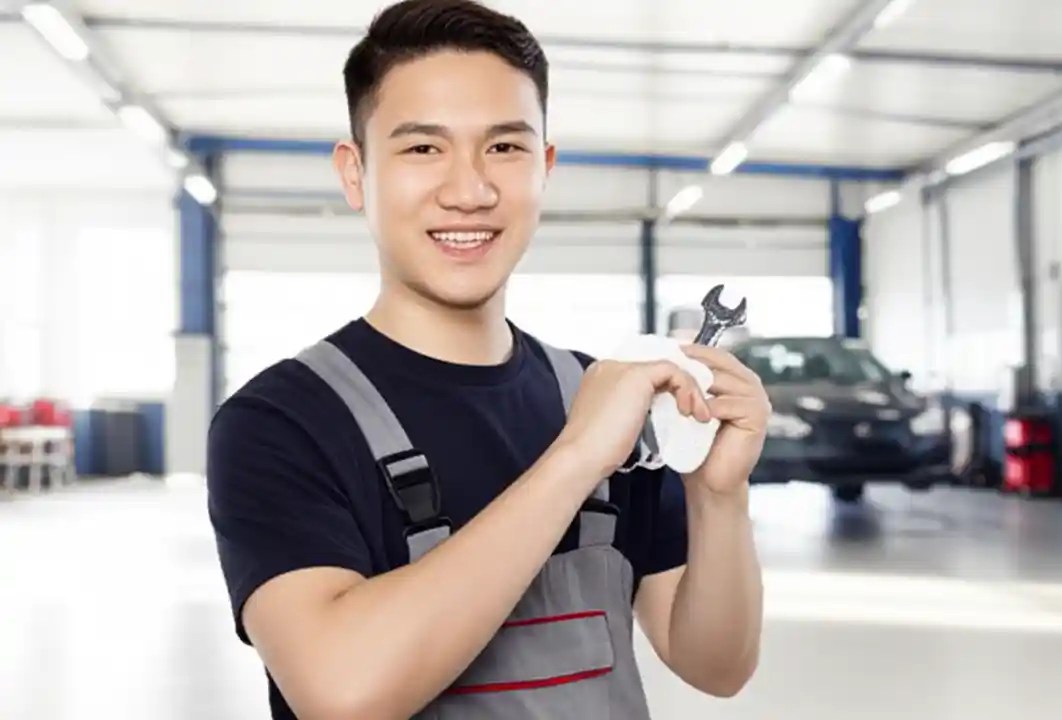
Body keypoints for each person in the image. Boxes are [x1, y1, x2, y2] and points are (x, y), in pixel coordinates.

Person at [205, 1, 767, 718]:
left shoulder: (609, 397)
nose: (469, 191)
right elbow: (340, 692)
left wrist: (719, 497)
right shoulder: (280, 423)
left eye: (505, 147)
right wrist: (576, 458)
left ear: (545, 166)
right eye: (422, 149)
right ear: (356, 174)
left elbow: (716, 665)